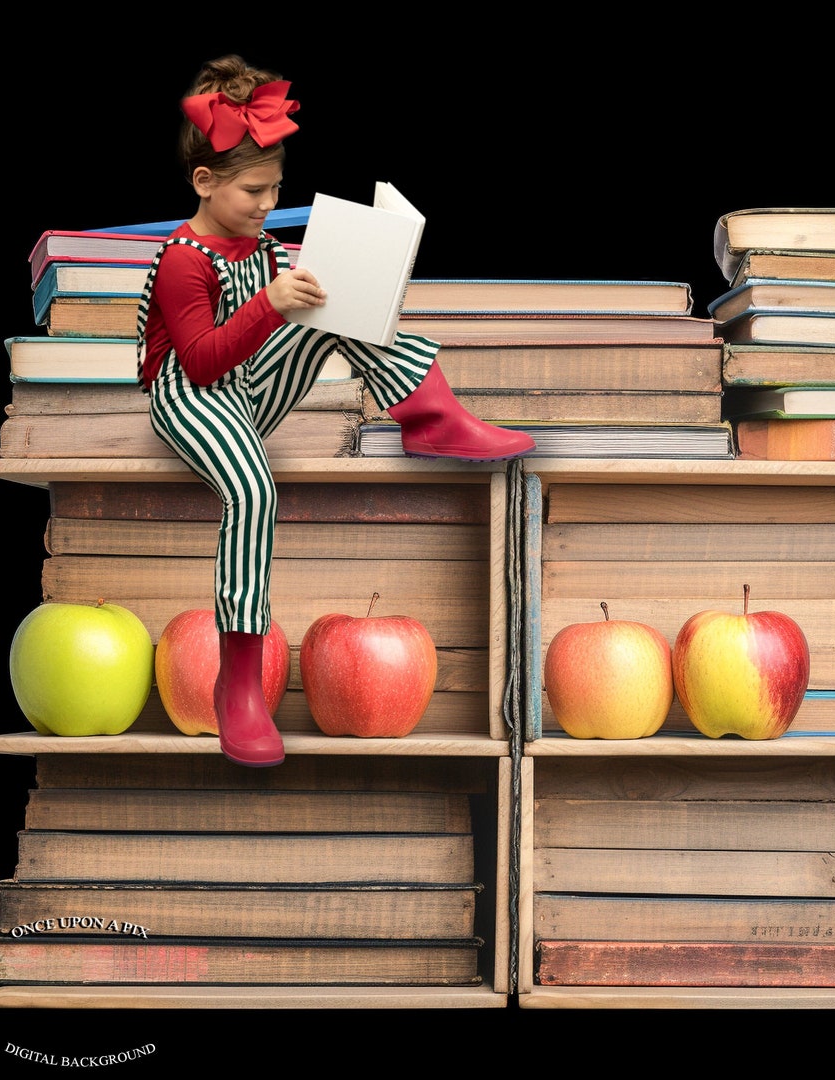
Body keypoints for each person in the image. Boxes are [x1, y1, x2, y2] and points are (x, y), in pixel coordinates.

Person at [137, 55, 534, 769]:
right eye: (253, 190)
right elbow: (199, 361)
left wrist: (346, 282)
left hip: (250, 387)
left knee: (336, 307)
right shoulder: (181, 260)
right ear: (204, 182)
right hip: (192, 395)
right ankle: (239, 686)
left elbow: (279, 330)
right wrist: (270, 303)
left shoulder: (261, 249)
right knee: (252, 488)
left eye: (276, 188)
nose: (267, 203)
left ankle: (431, 414)